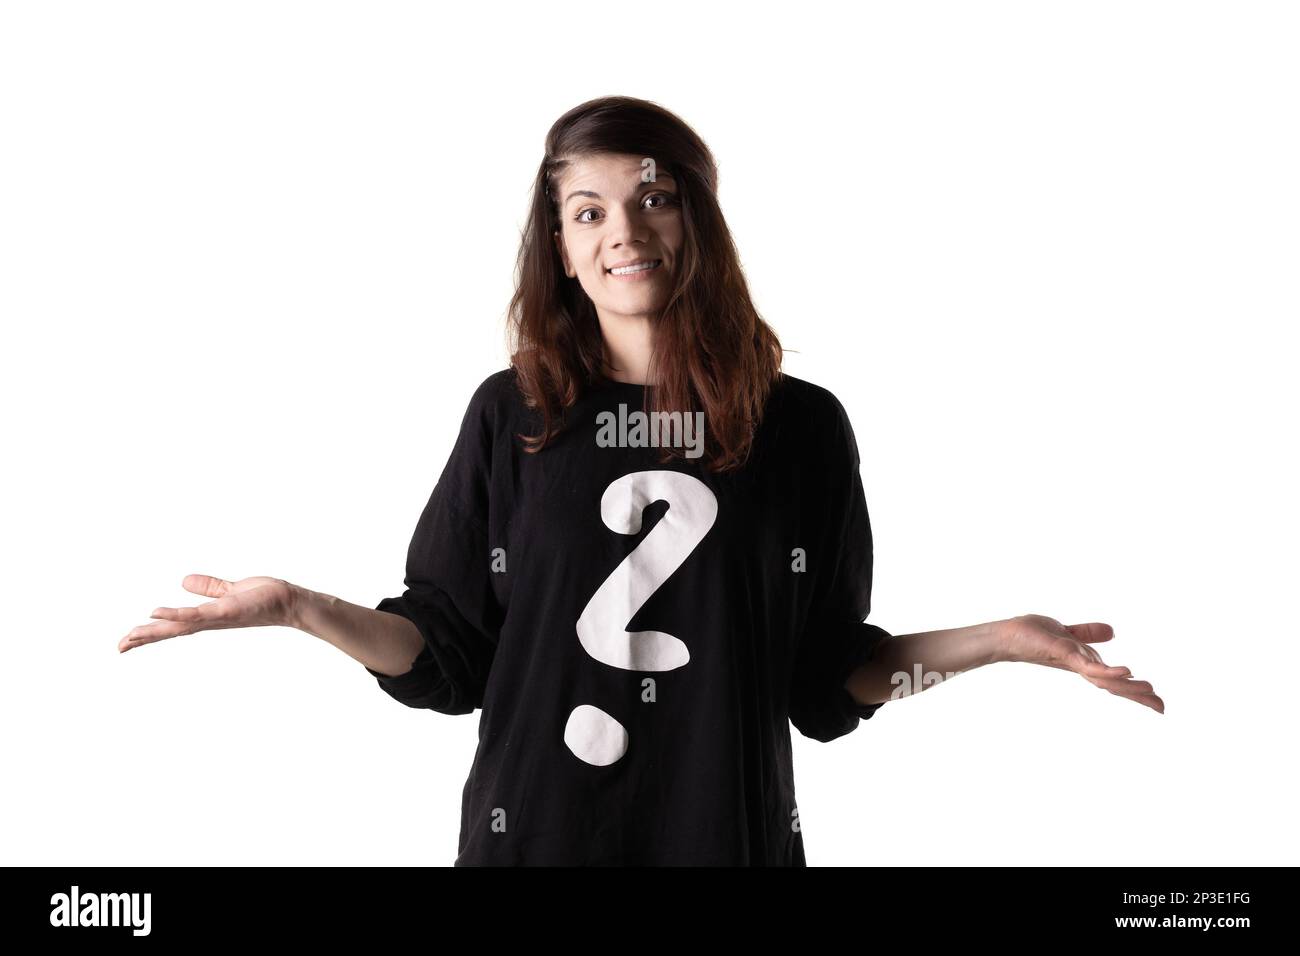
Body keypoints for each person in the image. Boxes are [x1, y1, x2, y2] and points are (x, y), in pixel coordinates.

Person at [117, 96, 1164, 866]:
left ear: (696, 222)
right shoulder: (511, 413)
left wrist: (998, 643)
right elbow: (445, 655)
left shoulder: (800, 426)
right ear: (563, 250)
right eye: (587, 211)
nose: (622, 230)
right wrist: (303, 608)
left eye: (651, 198)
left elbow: (829, 679)